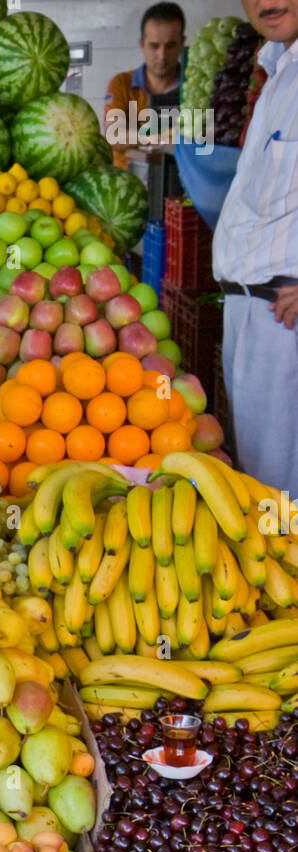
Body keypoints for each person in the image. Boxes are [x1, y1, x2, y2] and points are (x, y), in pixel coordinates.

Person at [212, 0, 298, 494]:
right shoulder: (278, 68)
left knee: (281, 498)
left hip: (283, 321)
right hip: (253, 310)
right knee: (264, 490)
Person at [106, 4, 186, 169]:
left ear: (182, 43)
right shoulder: (121, 84)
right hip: (128, 185)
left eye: (170, 45)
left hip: (180, 186)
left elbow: (205, 139)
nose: (162, 55)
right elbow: (114, 136)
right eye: (154, 46)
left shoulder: (194, 88)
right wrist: (158, 139)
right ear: (142, 44)